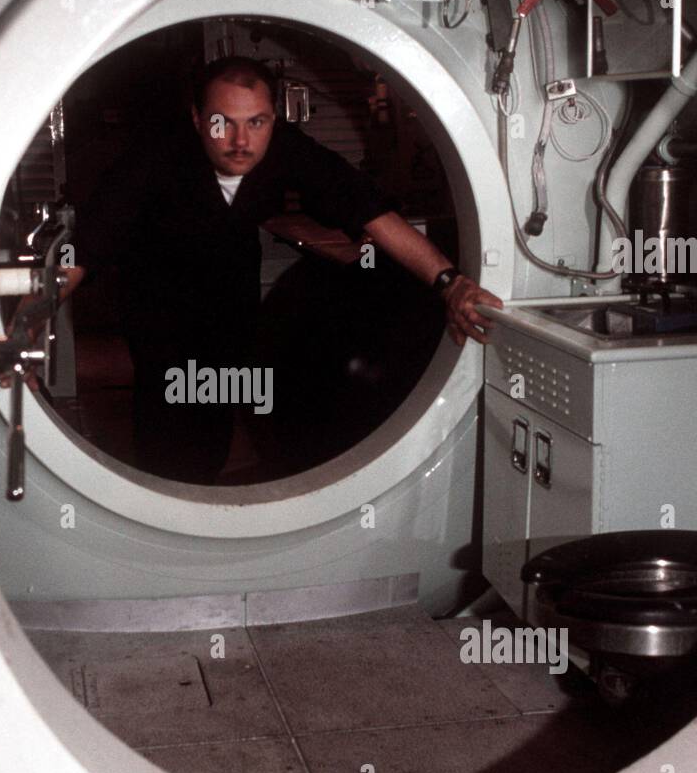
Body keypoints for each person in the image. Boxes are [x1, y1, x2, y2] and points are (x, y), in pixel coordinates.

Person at [60, 56, 503, 483]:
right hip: (162, 312)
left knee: (215, 422)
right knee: (170, 434)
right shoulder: (153, 160)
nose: (240, 141)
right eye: (222, 123)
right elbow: (82, 251)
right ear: (197, 118)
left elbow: (371, 214)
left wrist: (450, 283)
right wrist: (26, 318)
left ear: (273, 118)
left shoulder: (284, 148)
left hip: (231, 303)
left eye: (256, 122)